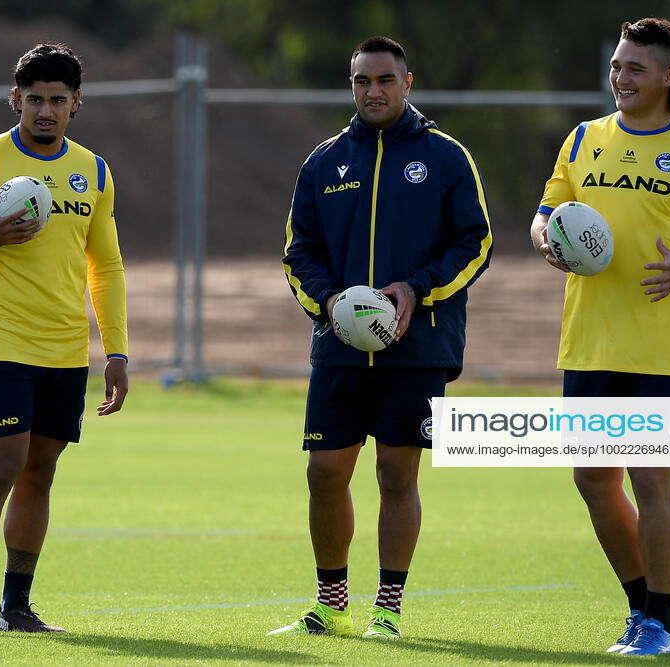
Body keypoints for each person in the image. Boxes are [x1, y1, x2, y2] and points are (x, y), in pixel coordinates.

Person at [530, 18, 670, 656]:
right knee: (594, 480)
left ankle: (661, 621)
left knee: (651, 481)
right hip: (589, 339)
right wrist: (547, 240)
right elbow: (548, 213)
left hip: (662, 345)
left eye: (634, 68)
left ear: (669, 76)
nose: (619, 77)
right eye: (617, 66)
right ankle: (638, 607)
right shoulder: (583, 139)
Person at [272, 36, 492, 639]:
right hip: (340, 345)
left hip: (418, 347)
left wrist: (418, 289)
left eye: (385, 80)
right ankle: (330, 601)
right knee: (324, 472)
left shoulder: (446, 157)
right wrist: (330, 302)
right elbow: (300, 253)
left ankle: (388, 610)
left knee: (398, 475)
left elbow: (476, 243)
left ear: (408, 82)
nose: (374, 91)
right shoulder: (323, 162)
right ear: (351, 85)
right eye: (363, 81)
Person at [0, 43, 128, 636]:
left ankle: (16, 607)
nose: (45, 110)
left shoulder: (93, 171)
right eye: (34, 99)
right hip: (0, 344)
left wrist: (115, 350)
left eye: (57, 100)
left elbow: (107, 266)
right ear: (15, 99)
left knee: (40, 472)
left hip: (66, 349)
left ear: (76, 104)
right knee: (0, 469)